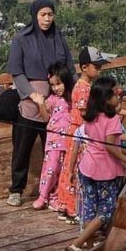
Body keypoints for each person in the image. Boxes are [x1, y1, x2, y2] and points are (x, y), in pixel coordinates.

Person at [64, 76, 126, 251]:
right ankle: (76, 243)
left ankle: (88, 243)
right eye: (116, 94)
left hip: (87, 167)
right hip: (105, 171)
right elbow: (111, 146)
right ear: (106, 98)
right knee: (105, 211)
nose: (119, 96)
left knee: (89, 207)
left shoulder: (90, 116)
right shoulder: (112, 120)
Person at [5, 0, 74, 207]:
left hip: (57, 104)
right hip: (30, 101)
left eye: (50, 15)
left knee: (54, 149)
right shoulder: (22, 39)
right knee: (22, 148)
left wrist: (75, 93)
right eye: (43, 15)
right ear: (35, 16)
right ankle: (17, 189)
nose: (46, 19)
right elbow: (16, 71)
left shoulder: (58, 38)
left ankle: (54, 192)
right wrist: (31, 94)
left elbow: (69, 69)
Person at [56, 46, 106, 223]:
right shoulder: (83, 88)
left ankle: (64, 206)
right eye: (97, 67)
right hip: (80, 133)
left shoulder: (84, 86)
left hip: (76, 132)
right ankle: (71, 208)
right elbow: (85, 113)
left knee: (70, 167)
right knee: (75, 169)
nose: (99, 70)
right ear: (85, 68)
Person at [32, 64, 74, 210]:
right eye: (53, 85)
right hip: (54, 142)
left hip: (69, 143)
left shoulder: (73, 99)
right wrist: (40, 104)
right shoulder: (52, 99)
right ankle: (43, 196)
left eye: (59, 83)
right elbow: (45, 118)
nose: (56, 88)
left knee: (63, 171)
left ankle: (55, 197)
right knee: (51, 168)